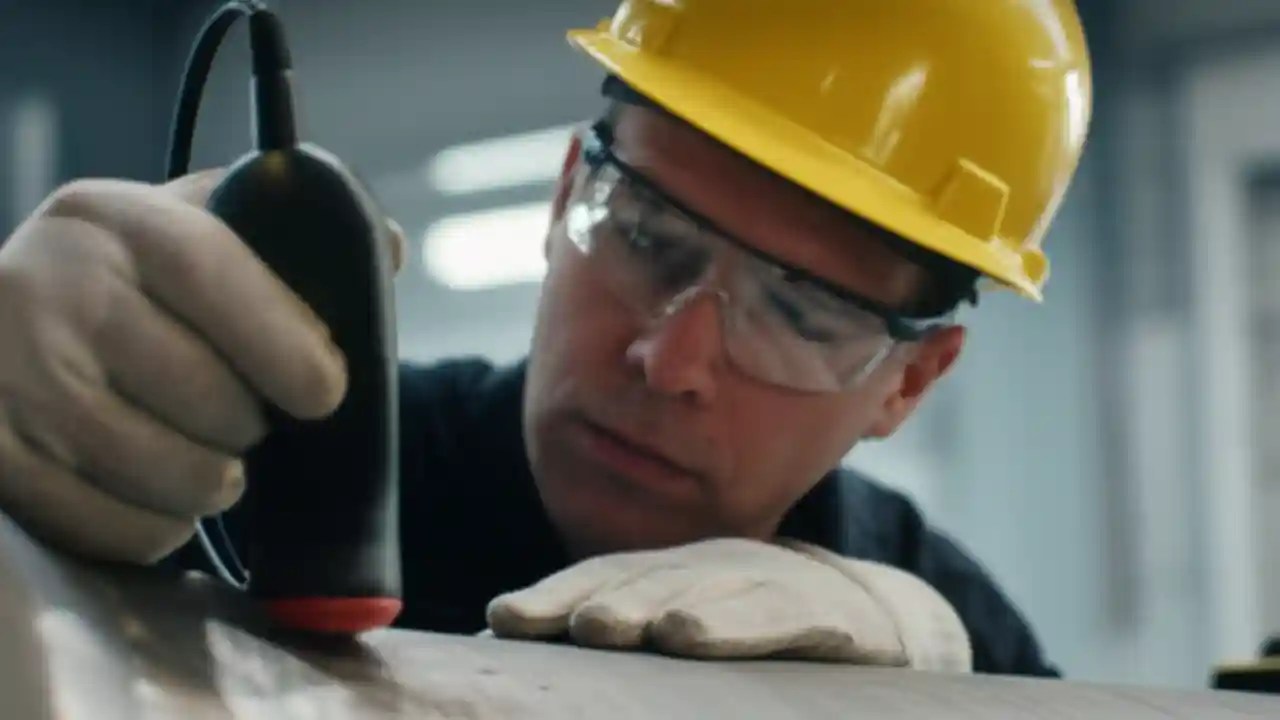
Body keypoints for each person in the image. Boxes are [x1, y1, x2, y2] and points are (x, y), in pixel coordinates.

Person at [0, 0, 1091, 677]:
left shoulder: (932, 620)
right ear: (568, 190)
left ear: (910, 382)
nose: (669, 362)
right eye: (646, 236)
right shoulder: (246, 465)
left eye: (801, 316)